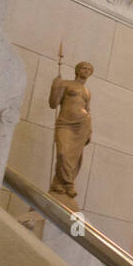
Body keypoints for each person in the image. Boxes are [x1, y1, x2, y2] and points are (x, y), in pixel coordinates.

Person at [49, 61, 94, 197]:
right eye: (83, 68)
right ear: (77, 70)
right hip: (65, 123)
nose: (86, 71)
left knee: (74, 157)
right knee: (63, 153)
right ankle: (64, 183)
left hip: (83, 124)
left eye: (88, 69)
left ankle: (65, 184)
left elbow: (87, 109)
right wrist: (55, 86)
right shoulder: (65, 84)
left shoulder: (87, 91)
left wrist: (90, 130)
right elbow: (53, 103)